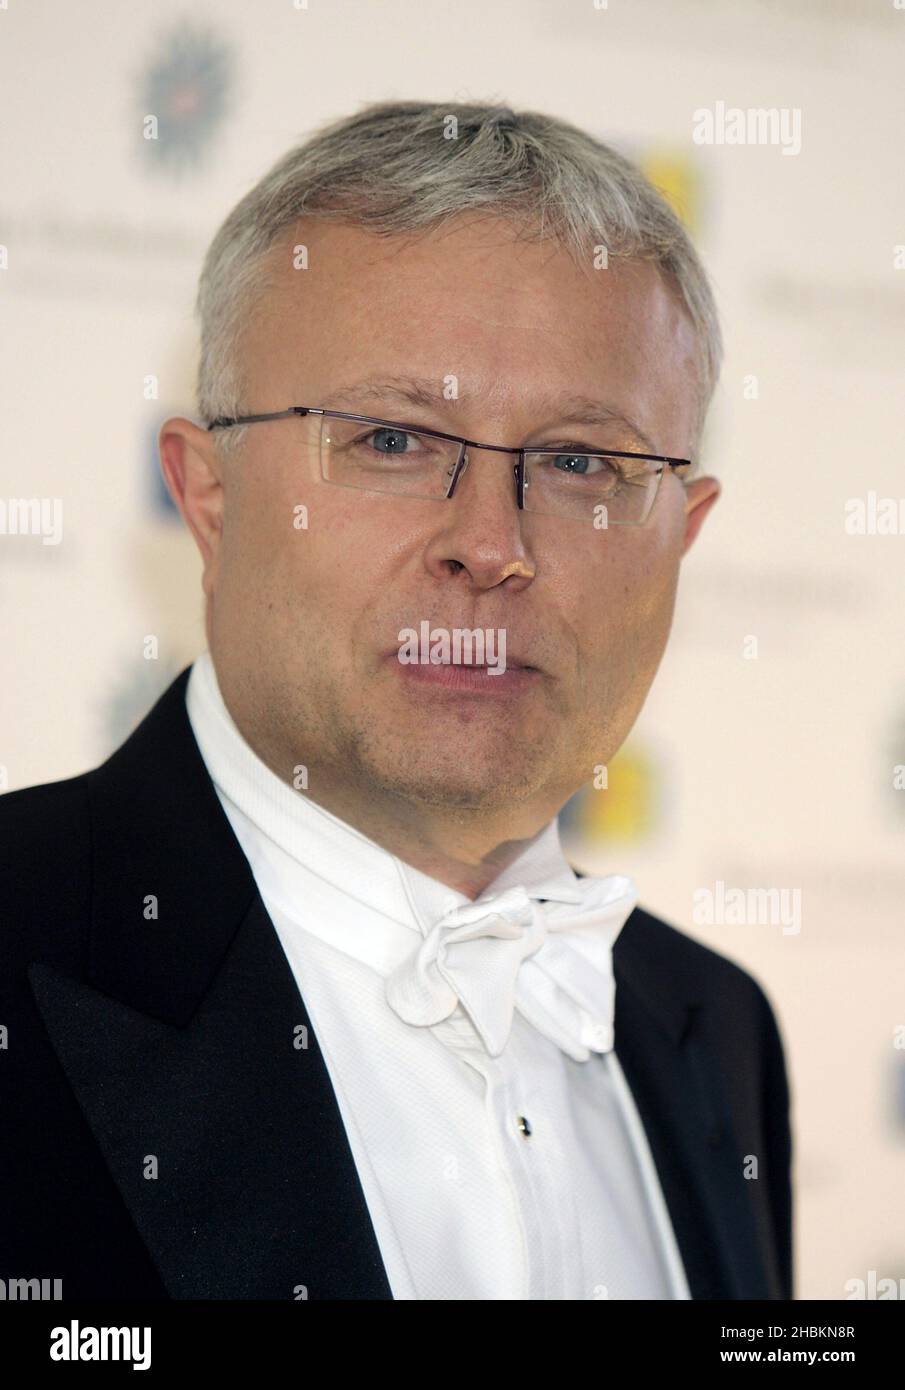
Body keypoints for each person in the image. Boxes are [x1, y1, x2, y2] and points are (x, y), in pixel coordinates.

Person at [0, 100, 792, 1300]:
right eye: (391, 440)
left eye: (581, 462)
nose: (490, 544)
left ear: (680, 536)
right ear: (208, 498)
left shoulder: (717, 1029)